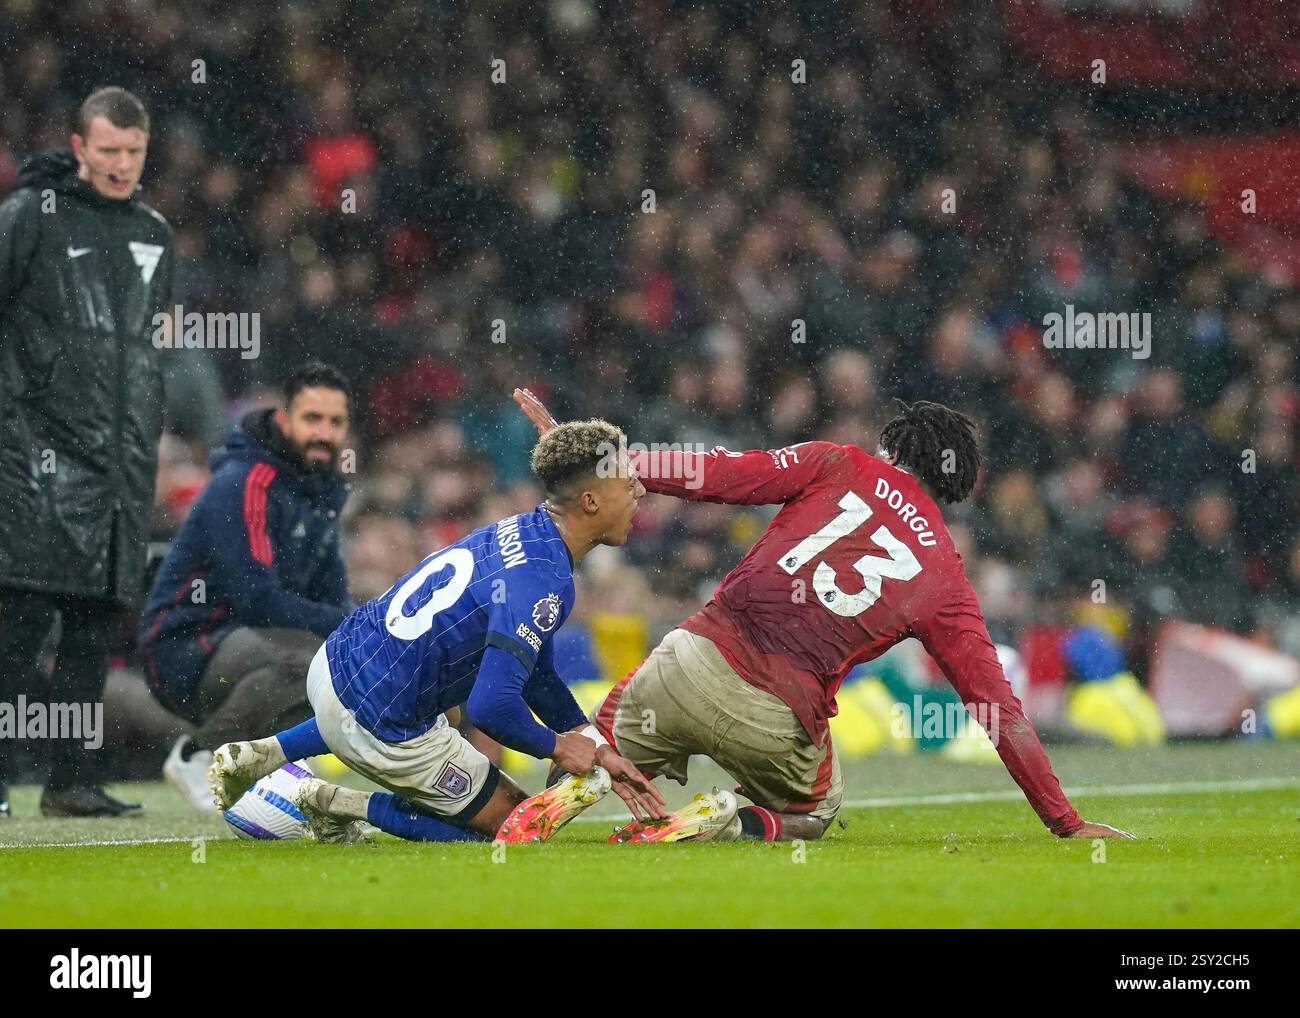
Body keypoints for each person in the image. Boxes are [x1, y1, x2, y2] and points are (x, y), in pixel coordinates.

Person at [512, 389, 1134, 844]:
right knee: (818, 811)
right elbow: (996, 708)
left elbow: (711, 476)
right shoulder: (944, 576)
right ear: (954, 488)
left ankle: (551, 804)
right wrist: (1065, 820)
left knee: (598, 745)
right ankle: (731, 820)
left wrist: (608, 462)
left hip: (685, 662)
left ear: (891, 446)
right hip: (773, 718)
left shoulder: (835, 462)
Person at [208, 419, 665, 843]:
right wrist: (557, 747)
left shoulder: (526, 530)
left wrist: (593, 743)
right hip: (379, 721)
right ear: (590, 502)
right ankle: (335, 803)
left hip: (337, 661)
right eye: (629, 484)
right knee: (516, 827)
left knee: (438, 706)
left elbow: (537, 674)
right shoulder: (545, 580)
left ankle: (268, 752)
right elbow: (491, 706)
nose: (641, 490)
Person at [0, 87, 174, 818]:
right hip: (32, 453)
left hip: (120, 468)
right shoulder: (28, 217)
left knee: (92, 630)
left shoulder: (155, 232)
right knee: (17, 627)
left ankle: (69, 781)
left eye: (133, 152)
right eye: (107, 150)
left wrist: (145, 439)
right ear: (78, 146)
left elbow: (151, 350)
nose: (120, 164)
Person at [138, 363, 354, 810]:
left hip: (251, 645)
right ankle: (198, 756)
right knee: (307, 664)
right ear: (284, 420)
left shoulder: (323, 495)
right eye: (312, 418)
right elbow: (257, 600)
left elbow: (330, 594)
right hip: (185, 647)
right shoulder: (245, 483)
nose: (324, 433)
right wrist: (347, 623)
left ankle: (262, 767)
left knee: (346, 664)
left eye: (335, 422)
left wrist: (357, 631)